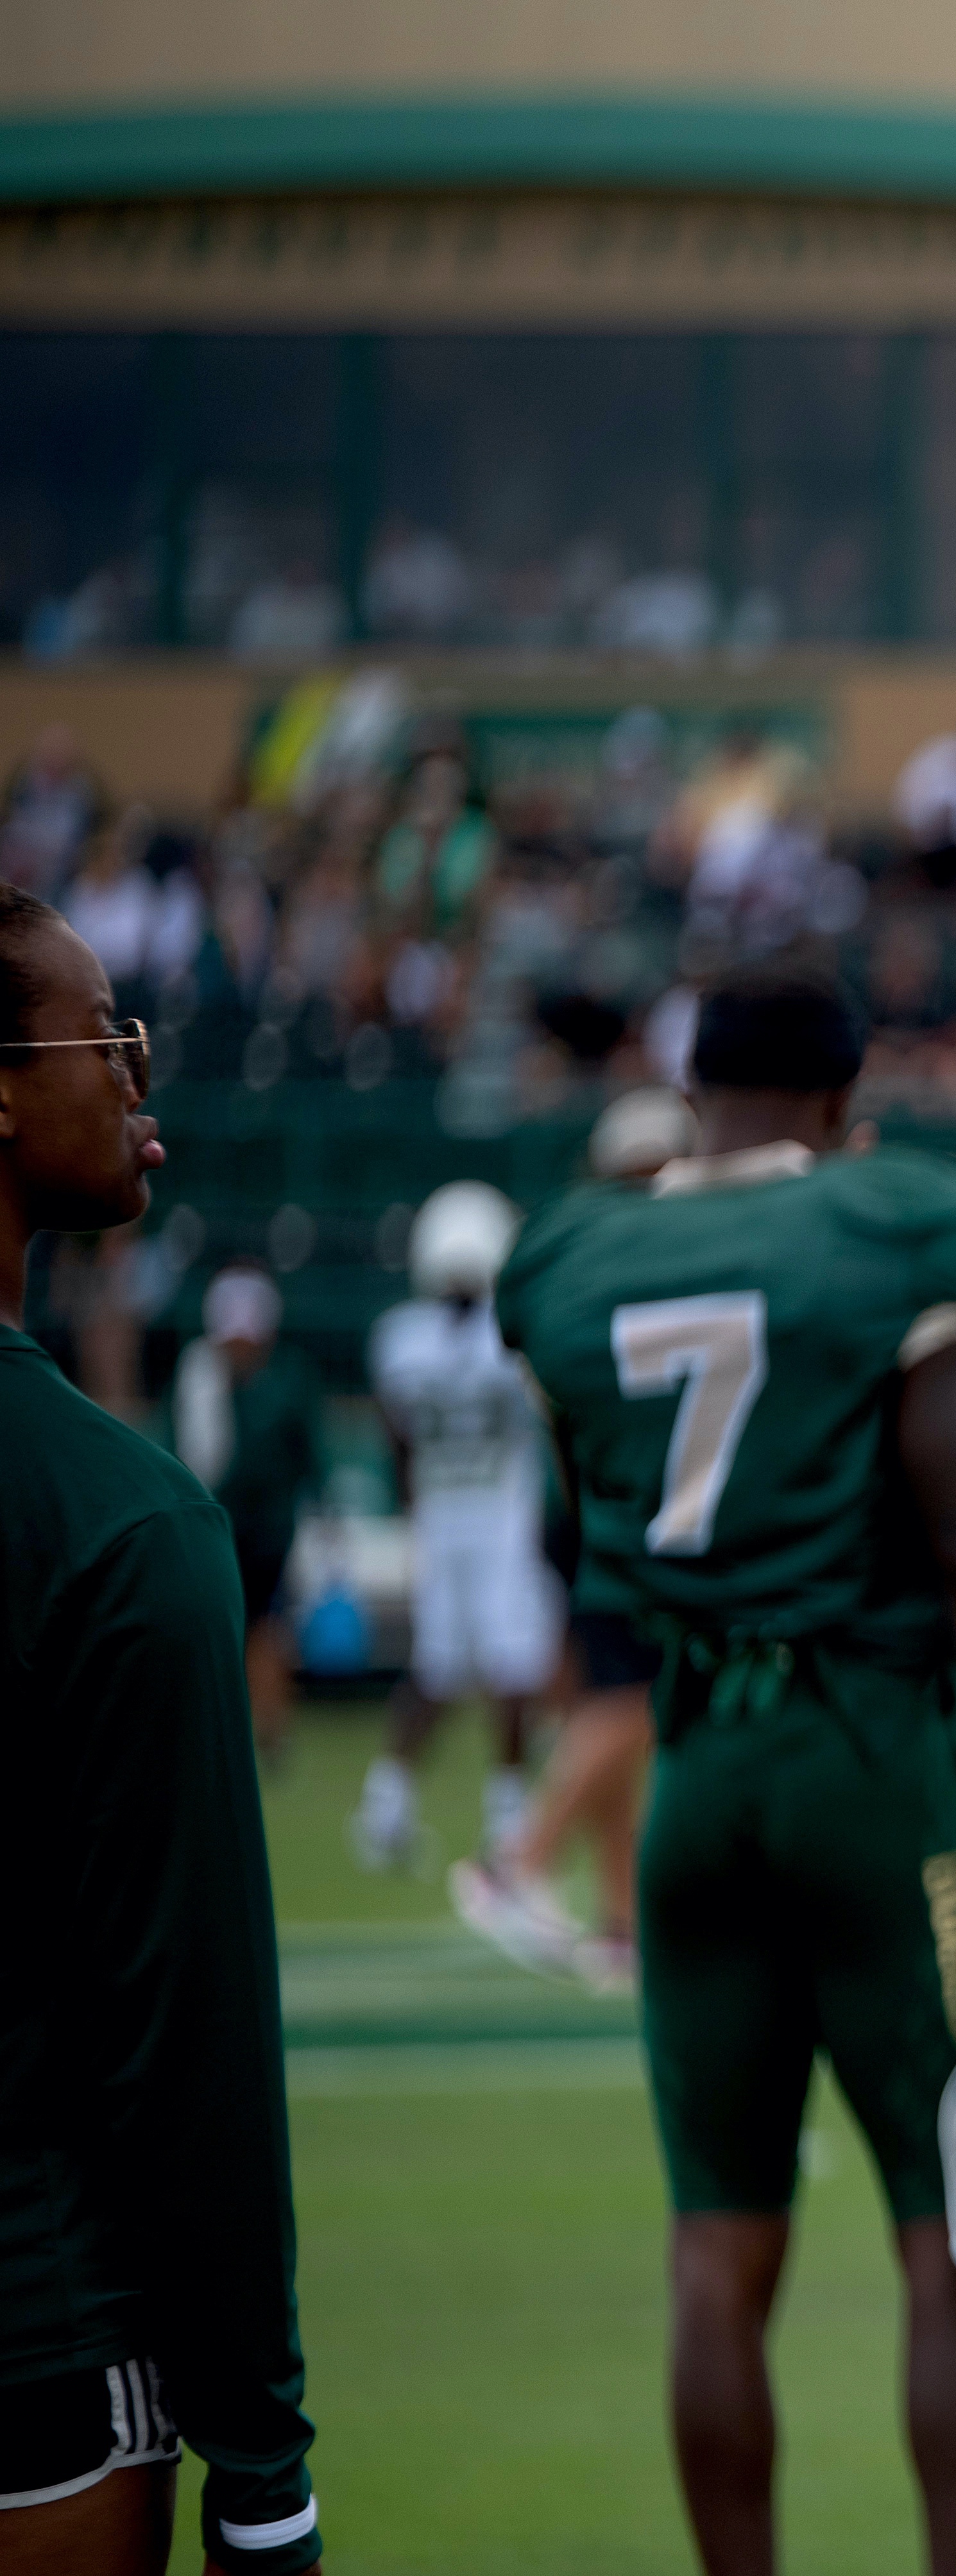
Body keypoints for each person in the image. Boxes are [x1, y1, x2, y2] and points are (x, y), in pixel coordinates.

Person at [494, 967, 956, 2576]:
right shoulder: (890, 1221)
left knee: (716, 2243)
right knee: (953, 2234)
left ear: (694, 1094)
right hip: (866, 1753)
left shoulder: (574, 1250)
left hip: (692, 1759)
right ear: (845, 1104)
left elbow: (593, 1501)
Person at [0, 883, 321, 2573]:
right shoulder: (115, 1523)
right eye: (102, 1032)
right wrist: (265, 2467)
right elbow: (185, 2054)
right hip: (39, 2356)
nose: (138, 1075)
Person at [453, 1091, 696, 1990]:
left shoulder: (576, 1256)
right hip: (612, 1503)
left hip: (586, 1500)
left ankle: (620, 1921)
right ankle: (516, 1860)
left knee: (620, 1697)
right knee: (631, 1702)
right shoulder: (640, 1260)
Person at [357, 1182, 560, 1876]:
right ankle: (508, 1812)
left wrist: (415, 1498)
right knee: (513, 1663)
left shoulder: (400, 1339)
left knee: (439, 1666)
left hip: (443, 1514)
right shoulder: (512, 1334)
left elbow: (398, 1435)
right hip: (501, 1514)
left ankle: (386, 1803)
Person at [173, 1263, 321, 1770]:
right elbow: (188, 1458)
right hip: (217, 1528)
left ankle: (271, 1735)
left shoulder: (287, 1379)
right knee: (219, 1627)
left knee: (268, 1629)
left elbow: (307, 1455)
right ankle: (215, 1728)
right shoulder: (199, 1379)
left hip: (271, 1533)